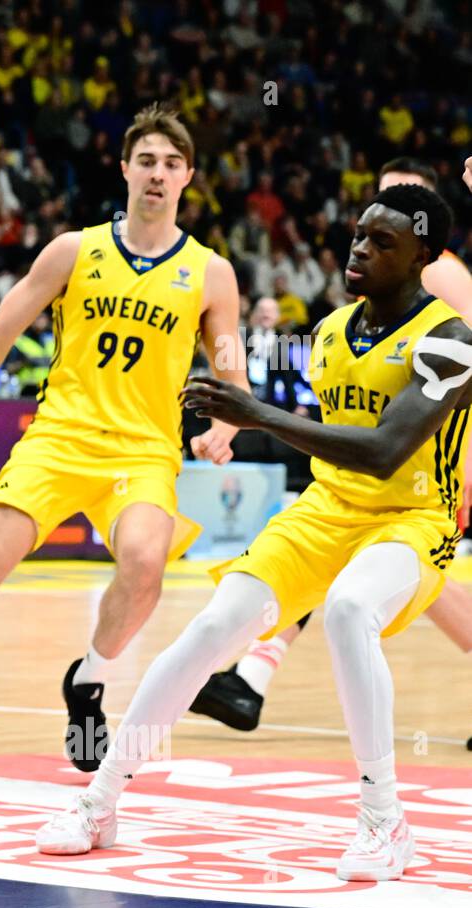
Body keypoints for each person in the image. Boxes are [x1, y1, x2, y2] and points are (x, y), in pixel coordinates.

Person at [36, 185, 469, 882]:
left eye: (382, 243)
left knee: (351, 608)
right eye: (358, 234)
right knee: (213, 628)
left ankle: (386, 822)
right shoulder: (330, 332)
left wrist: (256, 414)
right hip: (325, 509)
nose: (359, 249)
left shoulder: (450, 339)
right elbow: (332, 448)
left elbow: (386, 449)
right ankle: (100, 800)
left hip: (412, 519)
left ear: (423, 255)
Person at [0, 104, 247, 774]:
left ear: (189, 177)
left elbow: (231, 365)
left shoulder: (211, 272)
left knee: (146, 566)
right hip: (59, 438)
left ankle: (90, 678)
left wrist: (226, 424)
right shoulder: (74, 249)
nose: (158, 173)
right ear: (125, 168)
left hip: (143, 451)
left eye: (171, 164)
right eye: (146, 160)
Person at [191, 157, 472, 731]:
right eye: (383, 198)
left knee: (391, 574)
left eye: (406, 198)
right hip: (385, 459)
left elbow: (453, 378)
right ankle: (251, 676)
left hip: (435, 456)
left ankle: (252, 675)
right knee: (349, 566)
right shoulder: (374, 291)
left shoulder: (443, 279)